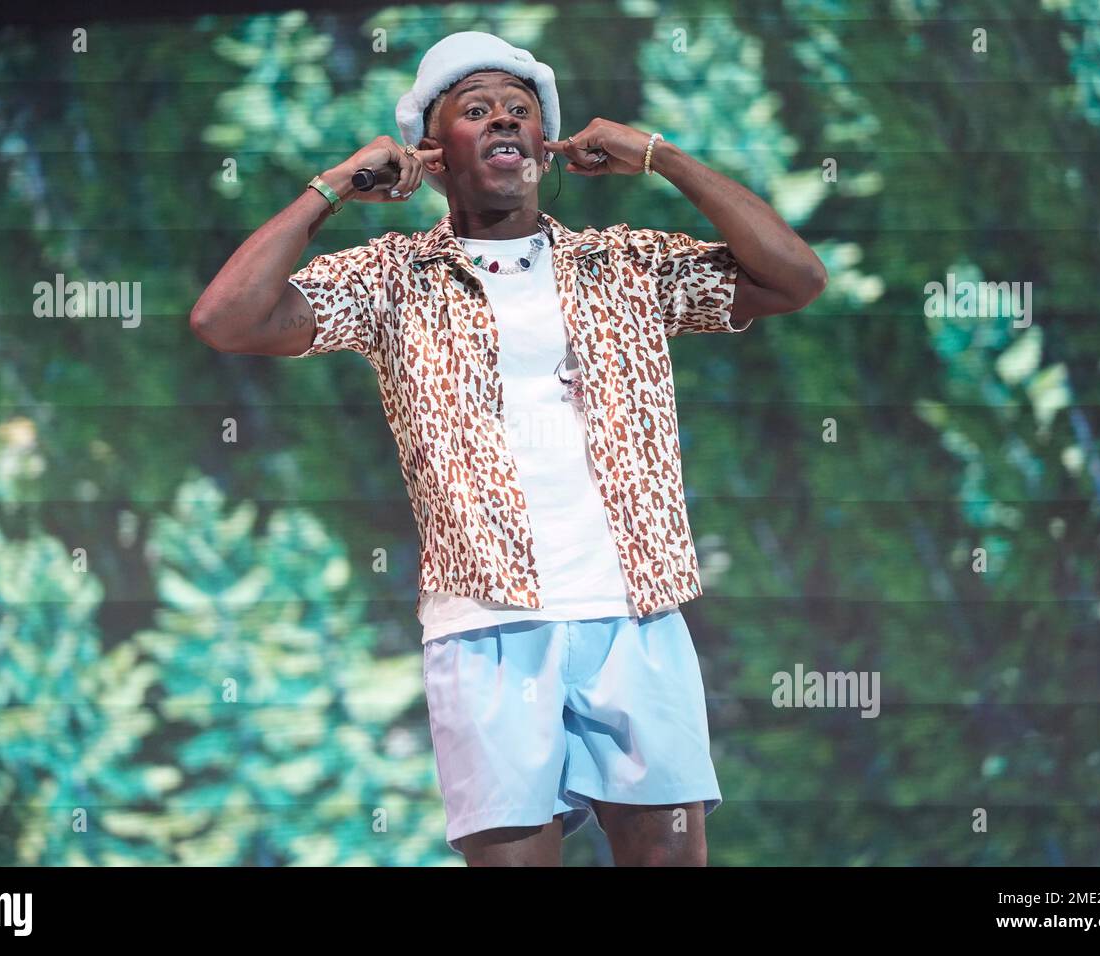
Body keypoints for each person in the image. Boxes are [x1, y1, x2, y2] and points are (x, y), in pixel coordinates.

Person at [190, 30, 826, 866]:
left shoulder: (623, 263)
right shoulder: (392, 278)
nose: (503, 121)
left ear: (544, 146)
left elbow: (796, 278)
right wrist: (333, 189)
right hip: (487, 622)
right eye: (476, 108)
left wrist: (662, 158)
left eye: (520, 110)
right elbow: (224, 319)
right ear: (432, 149)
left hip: (631, 610)